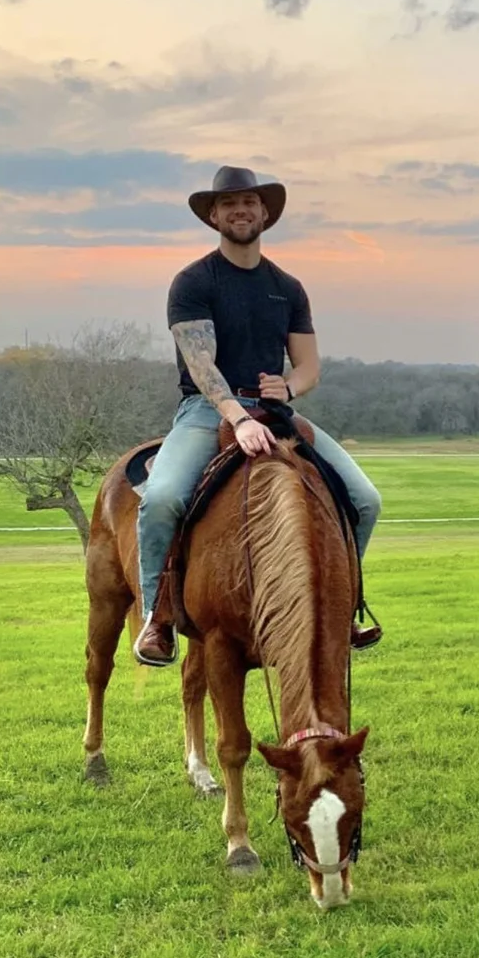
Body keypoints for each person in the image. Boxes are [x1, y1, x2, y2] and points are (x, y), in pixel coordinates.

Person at [133, 166, 382, 666]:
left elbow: (309, 365)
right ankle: (157, 618)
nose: (240, 210)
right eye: (228, 204)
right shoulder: (194, 281)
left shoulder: (286, 287)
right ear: (213, 216)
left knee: (365, 499)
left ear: (265, 212)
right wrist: (237, 417)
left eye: (248, 202)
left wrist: (288, 387)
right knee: (161, 498)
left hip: (274, 411)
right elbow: (202, 367)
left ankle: (343, 606)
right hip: (208, 409)